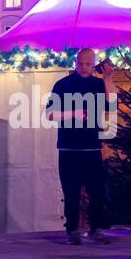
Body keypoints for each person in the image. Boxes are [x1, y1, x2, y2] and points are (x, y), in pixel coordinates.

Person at [46, 48, 115, 245]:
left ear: (94, 65)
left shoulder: (98, 84)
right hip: (69, 148)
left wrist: (108, 79)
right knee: (71, 191)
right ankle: (72, 231)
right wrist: (73, 113)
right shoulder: (63, 84)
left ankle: (96, 229)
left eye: (88, 64)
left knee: (97, 190)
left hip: (92, 147)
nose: (84, 68)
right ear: (76, 63)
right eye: (81, 63)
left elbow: (112, 105)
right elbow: (50, 114)